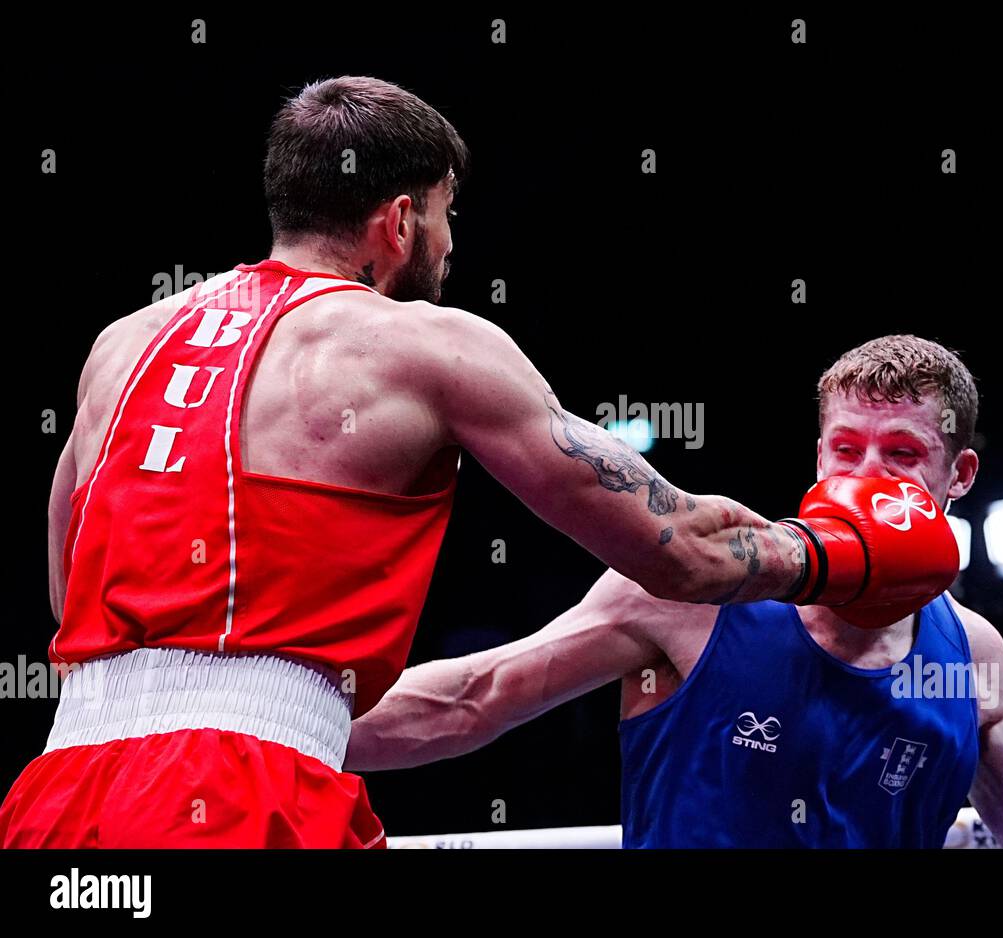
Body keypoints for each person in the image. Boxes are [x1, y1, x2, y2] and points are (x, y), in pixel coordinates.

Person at [0, 78, 951, 848]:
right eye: (451, 217)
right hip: (248, 793)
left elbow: (64, 592)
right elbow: (680, 551)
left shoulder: (122, 345)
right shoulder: (427, 344)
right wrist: (842, 553)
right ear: (402, 220)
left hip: (58, 791)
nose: (453, 249)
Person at [347, 335, 1003, 847]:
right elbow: (474, 696)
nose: (866, 474)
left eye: (901, 455)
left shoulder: (970, 656)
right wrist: (267, 730)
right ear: (816, 457)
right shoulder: (692, 593)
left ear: (958, 475)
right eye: (845, 449)